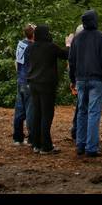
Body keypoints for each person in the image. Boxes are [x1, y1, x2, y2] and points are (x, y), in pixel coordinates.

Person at [68, 9, 102, 158]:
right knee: (94, 112)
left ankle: (80, 144)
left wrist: (72, 79)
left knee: (82, 111)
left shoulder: (77, 39)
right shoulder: (101, 38)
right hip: (96, 79)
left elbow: (72, 60)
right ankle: (91, 147)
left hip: (80, 79)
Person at [22, 24, 68, 155]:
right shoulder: (50, 47)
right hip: (47, 84)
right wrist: (69, 44)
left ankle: (36, 144)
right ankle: (46, 146)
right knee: (47, 114)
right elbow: (65, 55)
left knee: (37, 113)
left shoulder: (31, 47)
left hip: (33, 83)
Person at [13, 24, 35, 146]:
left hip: (20, 80)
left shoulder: (20, 44)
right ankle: (32, 138)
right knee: (30, 111)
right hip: (28, 81)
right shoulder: (32, 47)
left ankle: (17, 137)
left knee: (19, 111)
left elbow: (17, 62)